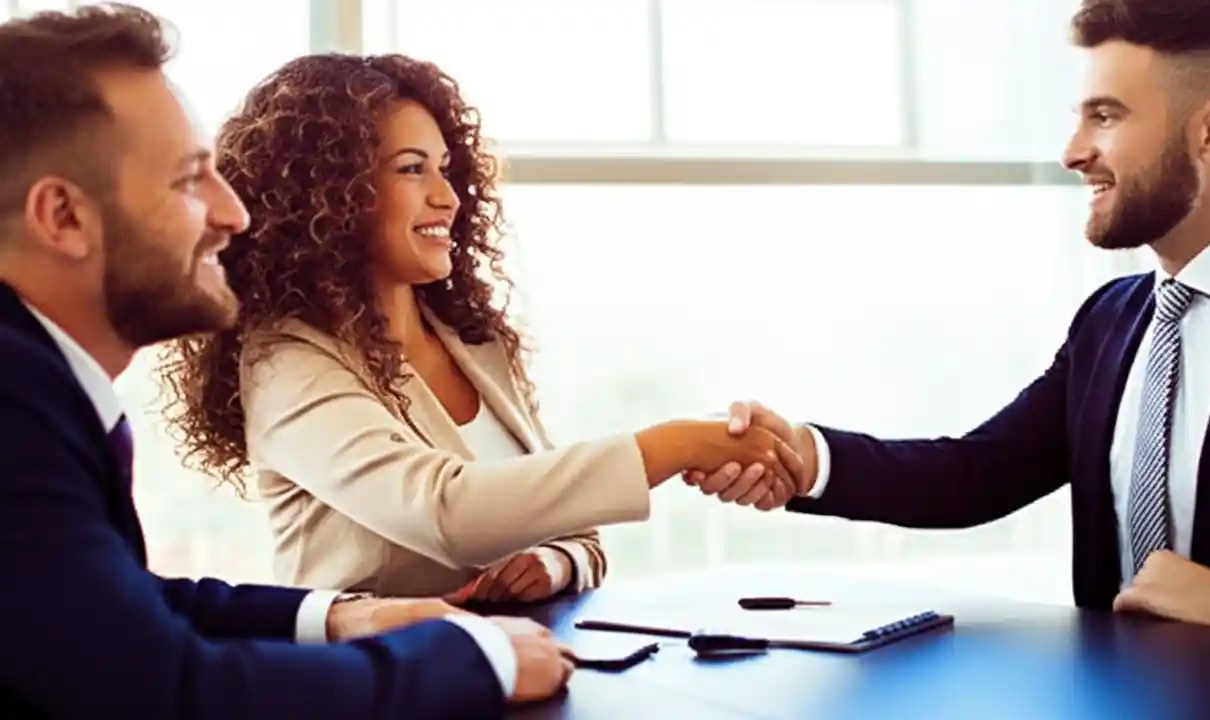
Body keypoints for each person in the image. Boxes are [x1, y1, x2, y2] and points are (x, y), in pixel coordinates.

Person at [0, 5, 575, 717]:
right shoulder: (13, 403)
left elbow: (113, 611)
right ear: (62, 217)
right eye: (187, 182)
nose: (233, 214)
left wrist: (337, 617)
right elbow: (159, 689)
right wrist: (475, 660)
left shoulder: (36, 383)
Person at [695, 0, 1210, 635]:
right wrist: (807, 457)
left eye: (1105, 116)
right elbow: (980, 474)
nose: (1074, 152)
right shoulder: (1110, 320)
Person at [157, 52, 801, 603]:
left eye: (444, 166)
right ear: (327, 191)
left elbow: (571, 525)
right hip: (380, 691)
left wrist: (554, 565)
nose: (449, 196)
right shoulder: (286, 362)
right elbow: (447, 513)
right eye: (412, 169)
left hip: (519, 672)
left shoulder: (471, 339)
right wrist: (676, 445)